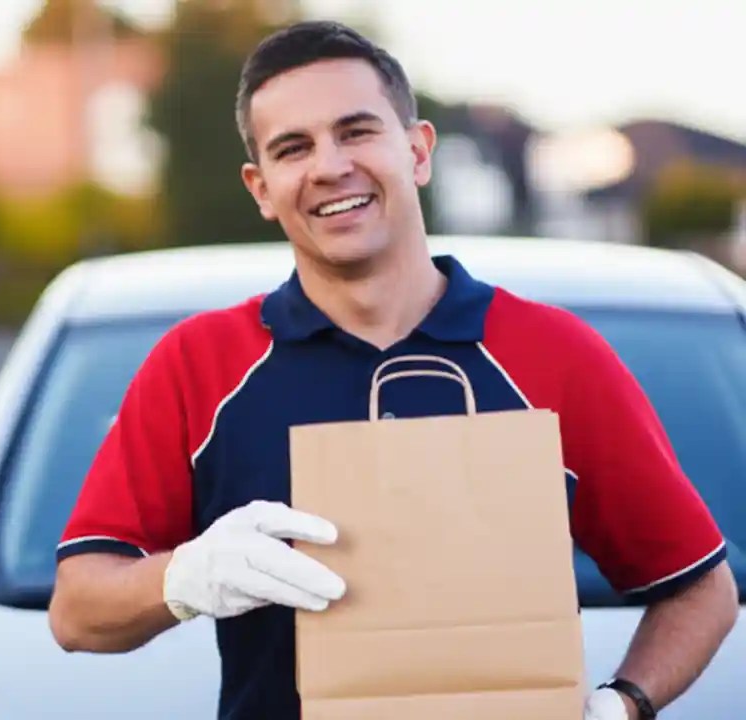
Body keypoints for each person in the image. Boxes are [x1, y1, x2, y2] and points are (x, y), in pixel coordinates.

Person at [47, 20, 737, 720]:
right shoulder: (198, 365)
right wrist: (188, 576)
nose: (329, 166)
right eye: (294, 148)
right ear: (261, 187)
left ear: (417, 150)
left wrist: (623, 704)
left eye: (356, 132)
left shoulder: (556, 356)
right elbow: (77, 610)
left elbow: (699, 586)